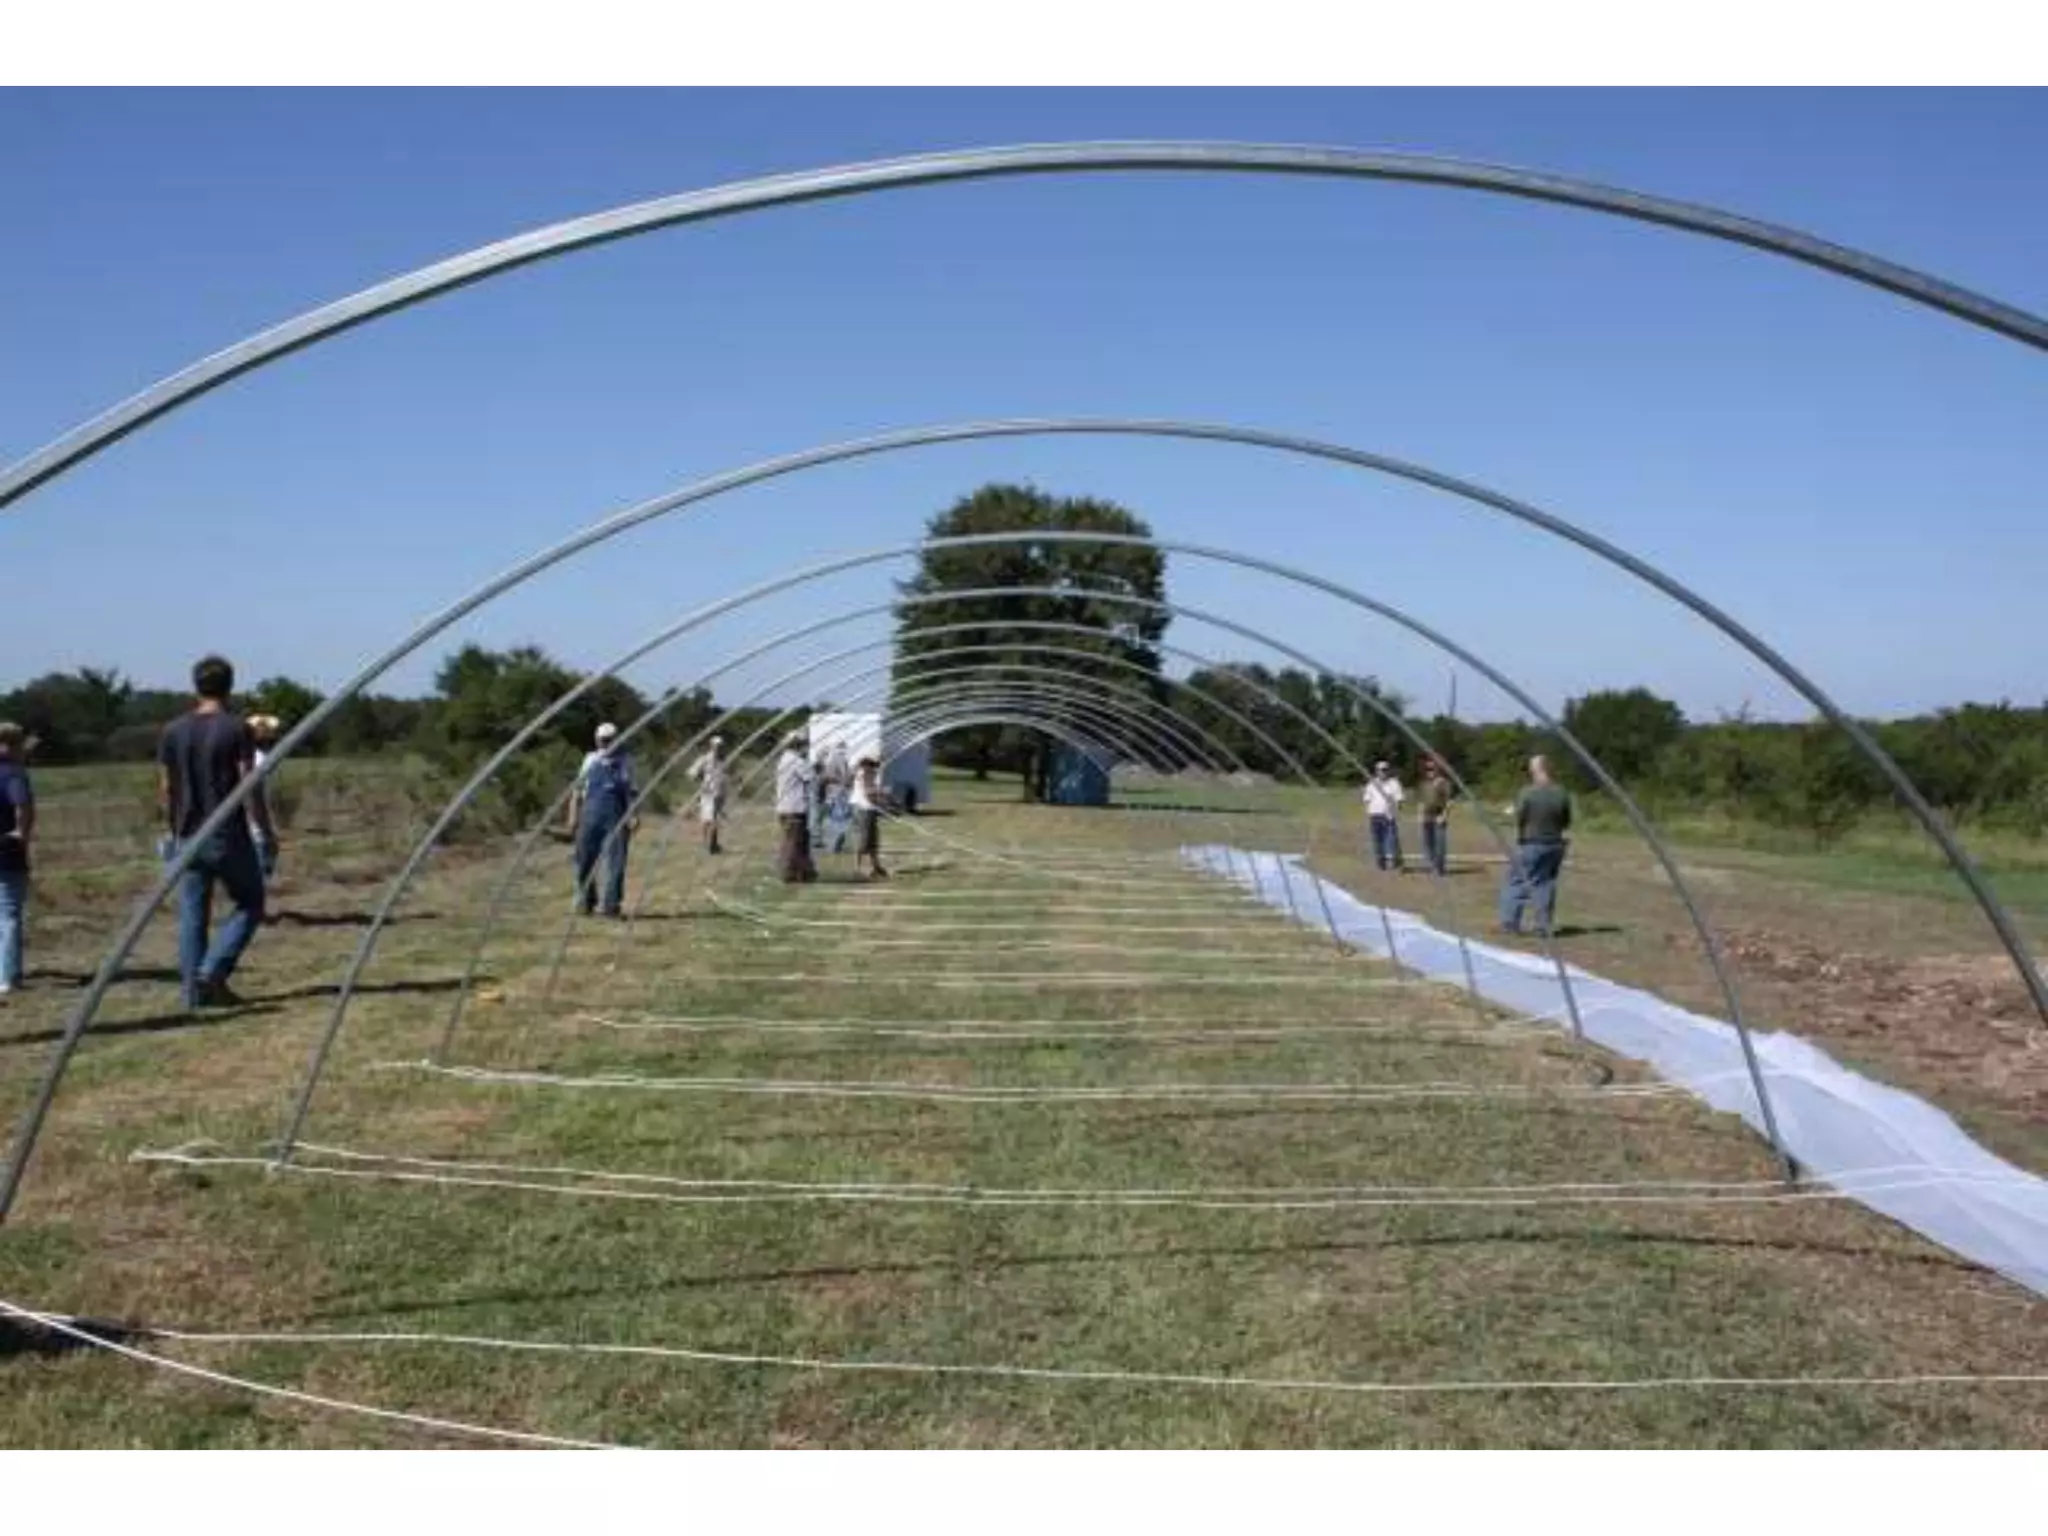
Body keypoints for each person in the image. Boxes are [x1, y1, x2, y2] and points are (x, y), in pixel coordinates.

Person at [158, 655, 275, 1009]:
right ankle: (210, 973)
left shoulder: (173, 730)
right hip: (226, 832)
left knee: (193, 915)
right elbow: (247, 784)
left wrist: (172, 829)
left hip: (186, 832)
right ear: (230, 685)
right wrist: (265, 829)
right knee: (251, 902)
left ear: (196, 686)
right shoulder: (236, 728)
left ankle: (192, 995)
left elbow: (165, 788)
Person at [1499, 754, 1574, 936]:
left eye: (1531, 768)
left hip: (1532, 844)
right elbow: (1566, 820)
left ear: (1538, 769)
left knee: (1517, 882)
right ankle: (1543, 926)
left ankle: (1510, 923)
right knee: (1545, 884)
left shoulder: (1528, 792)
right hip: (1555, 844)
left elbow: (1520, 817)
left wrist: (1507, 815)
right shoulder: (1561, 792)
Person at [570, 722, 637, 917]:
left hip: (617, 815)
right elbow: (577, 790)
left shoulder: (627, 761)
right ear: (597, 740)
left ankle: (611, 905)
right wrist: (573, 816)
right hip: (591, 814)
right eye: (603, 740)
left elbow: (632, 791)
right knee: (584, 859)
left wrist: (634, 815)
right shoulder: (590, 759)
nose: (606, 744)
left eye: (609, 740)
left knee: (616, 862)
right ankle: (586, 901)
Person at [0, 722, 35, 998]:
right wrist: (21, 833)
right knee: (10, 913)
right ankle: (8, 976)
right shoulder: (13, 774)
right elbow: (21, 804)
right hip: (6, 850)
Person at [775, 730, 817, 883]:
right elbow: (810, 777)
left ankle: (801, 872)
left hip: (784, 807)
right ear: (797, 745)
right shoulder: (796, 761)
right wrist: (817, 768)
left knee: (792, 840)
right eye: (803, 744)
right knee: (795, 842)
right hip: (795, 807)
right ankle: (792, 872)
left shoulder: (784, 759)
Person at [687, 735, 729, 854]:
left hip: (720, 794)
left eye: (721, 746)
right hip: (708, 794)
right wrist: (701, 782)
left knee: (715, 820)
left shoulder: (723, 760)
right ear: (711, 746)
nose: (719, 748)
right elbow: (691, 773)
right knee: (707, 820)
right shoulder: (705, 759)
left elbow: (725, 776)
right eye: (717, 746)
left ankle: (713, 844)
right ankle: (706, 844)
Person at [1362, 760, 1406, 872]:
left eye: (1385, 770)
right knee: (1377, 840)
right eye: (1380, 770)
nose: (1383, 772)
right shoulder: (1372, 784)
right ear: (1376, 771)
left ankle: (1396, 863)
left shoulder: (1394, 783)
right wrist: (1368, 811)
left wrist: (1397, 810)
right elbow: (1367, 799)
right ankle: (1381, 863)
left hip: (1388, 816)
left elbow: (1399, 799)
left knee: (1392, 840)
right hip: (1375, 816)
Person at [850, 755, 889, 880]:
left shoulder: (867, 772)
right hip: (865, 809)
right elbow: (869, 792)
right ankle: (857, 869)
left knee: (872, 839)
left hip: (868, 809)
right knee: (864, 840)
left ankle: (876, 867)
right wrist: (882, 793)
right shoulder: (866, 772)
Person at [1417, 757, 1453, 877]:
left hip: (1438, 815)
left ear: (1437, 769)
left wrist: (1444, 815)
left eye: (1432, 768)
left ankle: (1439, 867)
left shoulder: (1443, 783)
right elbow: (1421, 801)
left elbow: (1449, 801)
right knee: (1428, 842)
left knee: (1440, 843)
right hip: (1426, 816)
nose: (1430, 771)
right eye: (1428, 769)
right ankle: (1432, 864)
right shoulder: (1424, 784)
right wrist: (1420, 814)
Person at [824, 741, 854, 854]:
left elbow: (848, 776)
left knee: (844, 820)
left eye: (844, 748)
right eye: (842, 748)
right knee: (837, 820)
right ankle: (833, 846)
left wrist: (850, 778)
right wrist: (842, 781)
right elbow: (828, 776)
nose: (844, 751)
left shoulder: (845, 761)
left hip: (843, 794)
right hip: (836, 795)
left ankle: (838, 845)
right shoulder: (833, 760)